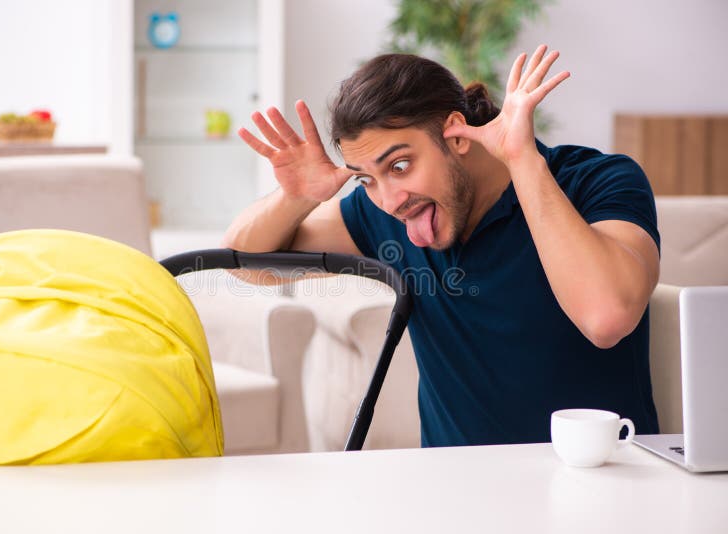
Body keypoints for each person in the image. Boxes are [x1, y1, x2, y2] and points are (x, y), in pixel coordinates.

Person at [224, 45, 661, 447]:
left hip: (601, 480)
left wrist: (522, 160)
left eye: (400, 164)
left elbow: (607, 318)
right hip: (454, 488)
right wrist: (296, 198)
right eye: (366, 178)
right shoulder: (383, 211)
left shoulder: (597, 181)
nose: (389, 200)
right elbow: (245, 265)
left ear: (455, 135)